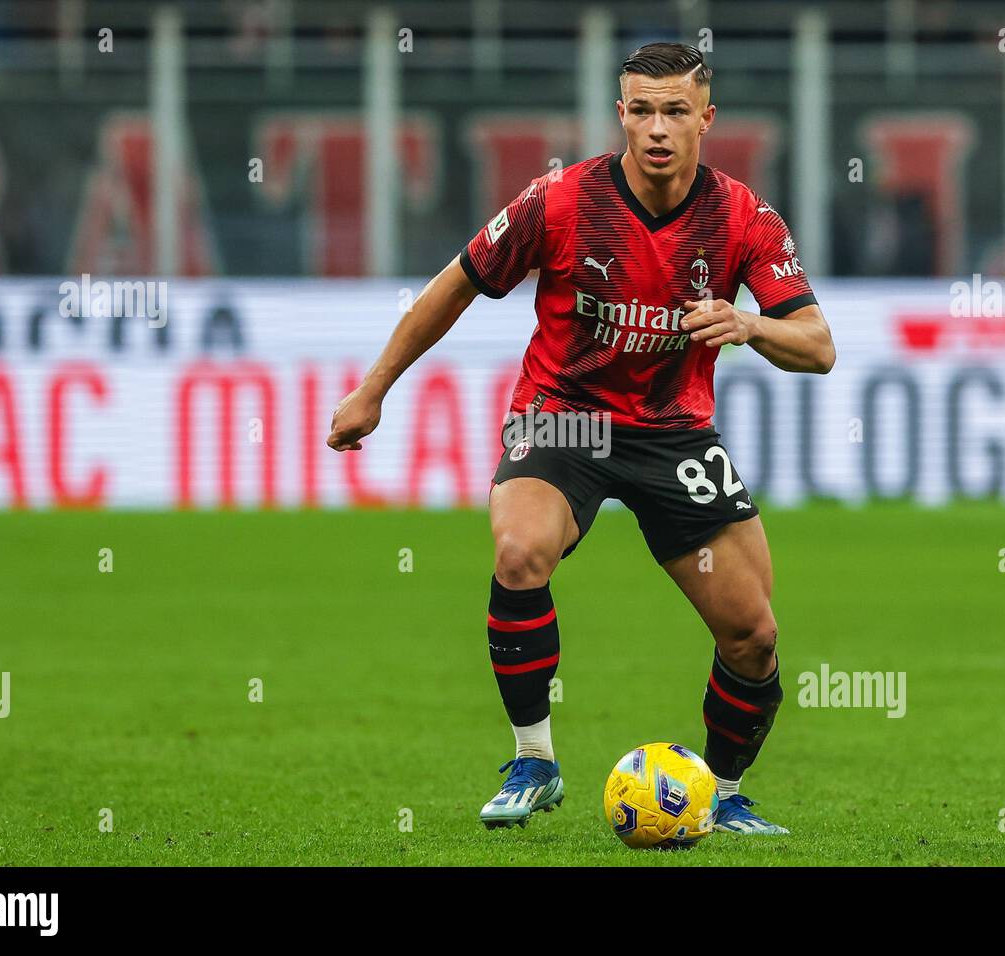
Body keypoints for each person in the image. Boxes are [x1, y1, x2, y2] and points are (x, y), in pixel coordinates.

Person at [326, 42, 835, 835]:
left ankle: (723, 794)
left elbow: (820, 346)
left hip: (675, 434)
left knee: (753, 633)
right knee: (520, 552)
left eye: (674, 111)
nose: (657, 128)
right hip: (565, 418)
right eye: (641, 109)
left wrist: (750, 322)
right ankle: (534, 760)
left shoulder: (744, 217)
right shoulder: (560, 201)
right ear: (620, 114)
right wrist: (373, 387)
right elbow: (457, 281)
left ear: (707, 118)